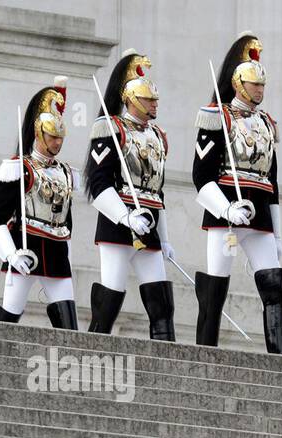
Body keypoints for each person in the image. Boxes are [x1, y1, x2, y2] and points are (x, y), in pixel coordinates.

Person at [191, 32, 282, 353]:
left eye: (263, 85)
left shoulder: (266, 123)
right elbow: (201, 177)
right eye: (254, 84)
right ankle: (206, 349)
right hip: (226, 216)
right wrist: (226, 209)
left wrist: (277, 231)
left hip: (259, 216)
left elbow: (272, 184)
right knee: (216, 283)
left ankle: (280, 355)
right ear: (238, 84)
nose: (260, 90)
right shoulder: (216, 117)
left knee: (275, 284)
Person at [83, 49, 175, 339]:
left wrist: (165, 236)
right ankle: (93, 346)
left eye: (154, 99)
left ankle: (167, 361)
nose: (154, 104)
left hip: (148, 224)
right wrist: (125, 216)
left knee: (161, 302)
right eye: (148, 99)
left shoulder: (158, 136)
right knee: (112, 293)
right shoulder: (110, 128)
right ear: (130, 98)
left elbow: (157, 193)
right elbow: (98, 185)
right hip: (117, 223)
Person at [0, 76, 79, 329]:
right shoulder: (19, 169)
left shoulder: (66, 172)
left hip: (57, 253)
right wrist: (11, 254)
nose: (58, 142)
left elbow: (66, 222)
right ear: (38, 132)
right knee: (9, 318)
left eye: (61, 136)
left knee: (69, 326)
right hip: (25, 247)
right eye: (52, 136)